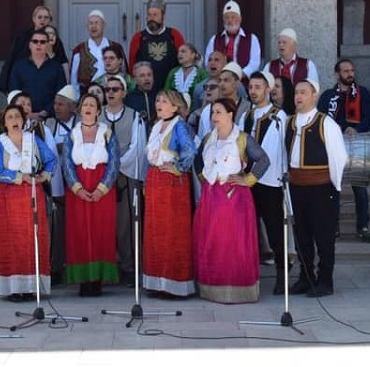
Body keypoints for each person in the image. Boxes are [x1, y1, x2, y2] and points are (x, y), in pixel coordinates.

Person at [193, 98, 270, 303]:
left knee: (233, 242)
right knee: (213, 241)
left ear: (230, 114)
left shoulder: (242, 138)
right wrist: (206, 180)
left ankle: (238, 290)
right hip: (211, 197)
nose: (214, 117)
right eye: (212, 113)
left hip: (234, 198)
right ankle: (212, 288)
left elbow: (263, 159)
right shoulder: (209, 137)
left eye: (218, 112)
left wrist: (248, 180)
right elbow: (197, 159)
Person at [285, 79, 347, 297]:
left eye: (303, 92)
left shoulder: (325, 123)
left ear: (314, 96)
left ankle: (325, 280)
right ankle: (305, 277)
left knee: (323, 236)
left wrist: (334, 188)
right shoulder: (289, 123)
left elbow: (339, 157)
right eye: (296, 92)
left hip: (321, 188)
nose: (298, 97)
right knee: (302, 235)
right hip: (297, 187)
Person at [0, 104, 58, 301]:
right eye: (9, 117)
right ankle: (13, 287)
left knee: (32, 239)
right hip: (8, 197)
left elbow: (51, 160)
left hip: (32, 195)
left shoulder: (33, 140)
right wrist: (21, 178)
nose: (14, 120)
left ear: (23, 120)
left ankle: (31, 285)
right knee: (12, 240)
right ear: (4, 123)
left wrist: (44, 176)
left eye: (17, 117)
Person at [61, 94, 120, 296]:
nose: (88, 107)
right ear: (80, 110)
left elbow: (114, 161)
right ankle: (82, 280)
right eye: (85, 104)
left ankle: (98, 279)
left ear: (98, 111)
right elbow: (67, 162)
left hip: (102, 190)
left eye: (92, 105)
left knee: (100, 231)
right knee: (79, 232)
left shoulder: (107, 133)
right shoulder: (72, 134)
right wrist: (76, 187)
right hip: (78, 190)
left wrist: (102, 188)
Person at [143, 90, 198, 298]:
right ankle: (157, 282)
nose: (159, 103)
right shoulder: (156, 126)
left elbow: (190, 150)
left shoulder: (180, 126)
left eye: (164, 101)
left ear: (175, 107)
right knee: (155, 232)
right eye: (158, 100)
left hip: (172, 183)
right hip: (156, 181)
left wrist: (177, 168)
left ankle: (174, 283)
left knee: (172, 231)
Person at [244, 71, 292, 294]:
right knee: (250, 230)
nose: (253, 91)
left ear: (268, 90)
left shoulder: (278, 116)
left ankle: (282, 274)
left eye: (258, 87)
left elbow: (271, 150)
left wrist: (253, 174)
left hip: (269, 181)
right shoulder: (247, 115)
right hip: (250, 180)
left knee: (274, 231)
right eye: (251, 87)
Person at [317, 59, 370, 243]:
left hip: (357, 143)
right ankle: (333, 227)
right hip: (335, 145)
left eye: (352, 70)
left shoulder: (363, 93)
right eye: (345, 71)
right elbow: (321, 118)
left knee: (359, 187)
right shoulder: (328, 96)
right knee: (334, 188)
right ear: (337, 74)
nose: (350, 74)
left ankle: (363, 226)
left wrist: (356, 129)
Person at [101, 74, 145, 284]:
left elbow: (138, 146)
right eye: (108, 89)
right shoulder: (96, 115)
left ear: (124, 93)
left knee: (127, 224)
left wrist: (118, 166)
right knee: (104, 223)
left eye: (115, 89)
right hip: (100, 177)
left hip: (126, 177)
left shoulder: (134, 116)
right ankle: (106, 266)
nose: (110, 93)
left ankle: (128, 265)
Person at [43, 85, 79, 283]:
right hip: (57, 186)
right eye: (55, 104)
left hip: (79, 184)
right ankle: (55, 267)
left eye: (61, 104)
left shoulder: (82, 122)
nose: (56, 108)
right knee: (57, 228)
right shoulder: (48, 124)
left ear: (72, 107)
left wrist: (62, 147)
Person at [0, 5, 68, 93]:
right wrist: (4, 84)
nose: (42, 20)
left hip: (49, 80)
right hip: (24, 79)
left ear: (50, 20)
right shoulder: (22, 37)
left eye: (46, 17)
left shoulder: (55, 40)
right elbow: (11, 59)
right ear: (34, 19)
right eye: (39, 17)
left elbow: (63, 62)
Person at [128, 0, 185, 91]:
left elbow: (184, 60)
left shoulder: (174, 35)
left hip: (171, 90)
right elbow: (131, 67)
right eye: (149, 15)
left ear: (163, 17)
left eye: (155, 15)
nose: (151, 18)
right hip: (145, 90)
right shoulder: (138, 38)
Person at [9, 28, 67, 121]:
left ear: (48, 45)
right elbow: (14, 94)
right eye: (35, 41)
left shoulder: (57, 68)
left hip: (50, 119)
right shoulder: (19, 67)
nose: (38, 44)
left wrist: (46, 112)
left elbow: (61, 95)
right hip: (23, 118)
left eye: (43, 42)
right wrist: (29, 113)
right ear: (30, 45)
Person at [203, 0, 262, 80]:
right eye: (226, 17)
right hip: (219, 82)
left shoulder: (252, 39)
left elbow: (254, 63)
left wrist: (238, 75)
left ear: (240, 19)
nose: (229, 20)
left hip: (243, 82)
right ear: (223, 20)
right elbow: (207, 62)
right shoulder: (214, 39)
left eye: (233, 17)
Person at [71, 10, 126, 92]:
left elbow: (124, 72)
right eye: (91, 23)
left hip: (112, 92)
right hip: (87, 95)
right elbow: (74, 79)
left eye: (97, 23)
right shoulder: (79, 49)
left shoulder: (116, 47)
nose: (93, 26)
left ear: (103, 25)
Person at [196, 62, 250, 143]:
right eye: (220, 80)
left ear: (236, 83)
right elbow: (202, 138)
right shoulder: (209, 110)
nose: (222, 84)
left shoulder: (248, 108)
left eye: (226, 80)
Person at [124, 61, 158, 128]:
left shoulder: (160, 96)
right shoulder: (128, 99)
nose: (146, 78)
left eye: (149, 75)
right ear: (135, 80)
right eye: (142, 75)